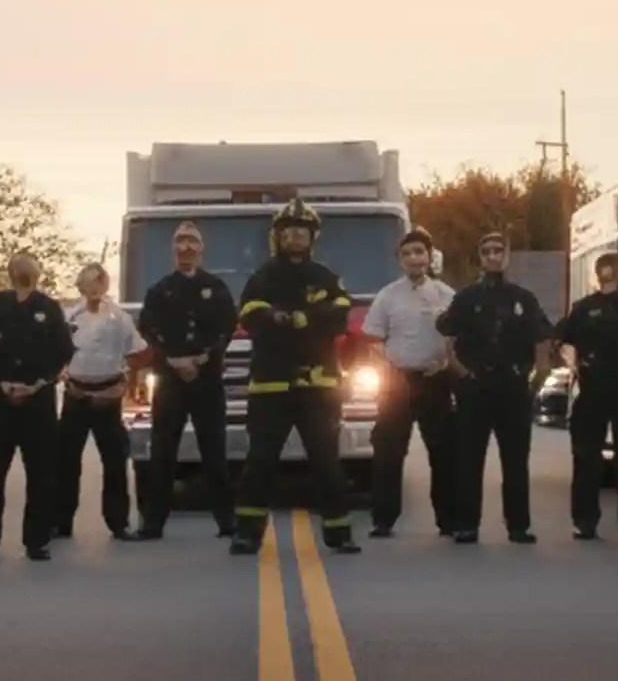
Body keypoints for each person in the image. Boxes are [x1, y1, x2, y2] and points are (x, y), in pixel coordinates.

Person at [229, 197, 361, 556]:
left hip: (319, 387)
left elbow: (340, 314)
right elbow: (251, 316)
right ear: (278, 237)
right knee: (260, 461)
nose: (295, 237)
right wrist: (280, 318)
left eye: (302, 231)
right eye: (289, 231)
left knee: (326, 461)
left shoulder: (325, 277)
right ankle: (247, 533)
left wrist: (300, 319)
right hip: (270, 385)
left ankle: (339, 532)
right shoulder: (263, 278)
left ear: (312, 237)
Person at [436, 231, 552, 545]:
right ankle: (466, 525)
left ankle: (518, 526)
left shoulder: (523, 298)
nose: (492, 256)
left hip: (513, 388)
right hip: (476, 388)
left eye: (498, 251)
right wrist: (459, 372)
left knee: (515, 461)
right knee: (468, 460)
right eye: (486, 252)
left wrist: (539, 374)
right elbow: (448, 335)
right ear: (480, 258)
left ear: (507, 255)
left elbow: (542, 336)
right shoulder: (466, 298)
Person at [0, 253, 72, 561]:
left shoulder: (49, 308)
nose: (24, 272)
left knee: (41, 474)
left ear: (38, 274)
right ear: (10, 273)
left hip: (37, 402)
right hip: (0, 402)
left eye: (30, 267)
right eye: (19, 267)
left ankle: (37, 540)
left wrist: (38, 383)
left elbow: (62, 351)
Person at [136, 221, 238, 539]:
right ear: (173, 250)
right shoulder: (160, 290)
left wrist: (205, 357)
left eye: (192, 242)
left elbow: (227, 327)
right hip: (170, 380)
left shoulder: (216, 289)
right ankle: (153, 523)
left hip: (207, 379)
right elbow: (148, 328)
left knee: (214, 450)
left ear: (201, 249)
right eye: (180, 242)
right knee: (163, 452)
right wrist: (171, 359)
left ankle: (227, 521)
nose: (186, 248)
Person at [361, 227, 457, 538]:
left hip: (435, 381)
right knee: (388, 452)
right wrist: (389, 370)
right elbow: (374, 339)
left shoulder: (447, 295)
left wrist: (445, 363)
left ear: (429, 257)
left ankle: (449, 519)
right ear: (400, 261)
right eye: (406, 254)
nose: (414, 258)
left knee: (443, 452)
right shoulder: (387, 296)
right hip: (397, 384)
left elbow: (459, 339)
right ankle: (383, 519)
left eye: (419, 252)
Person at [556, 252, 618, 541]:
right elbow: (564, 341)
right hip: (593, 386)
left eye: (614, 269)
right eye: (604, 269)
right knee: (586, 457)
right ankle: (585, 521)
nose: (608, 273)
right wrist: (573, 362)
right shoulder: (584, 308)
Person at [59, 263, 147, 542]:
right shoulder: (69, 317)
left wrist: (128, 384)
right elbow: (57, 352)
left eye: (99, 282)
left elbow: (137, 353)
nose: (95, 288)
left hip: (108, 396)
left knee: (115, 461)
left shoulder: (119, 317)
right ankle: (60, 522)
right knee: (66, 461)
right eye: (90, 283)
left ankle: (118, 522)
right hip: (77, 394)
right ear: (81, 287)